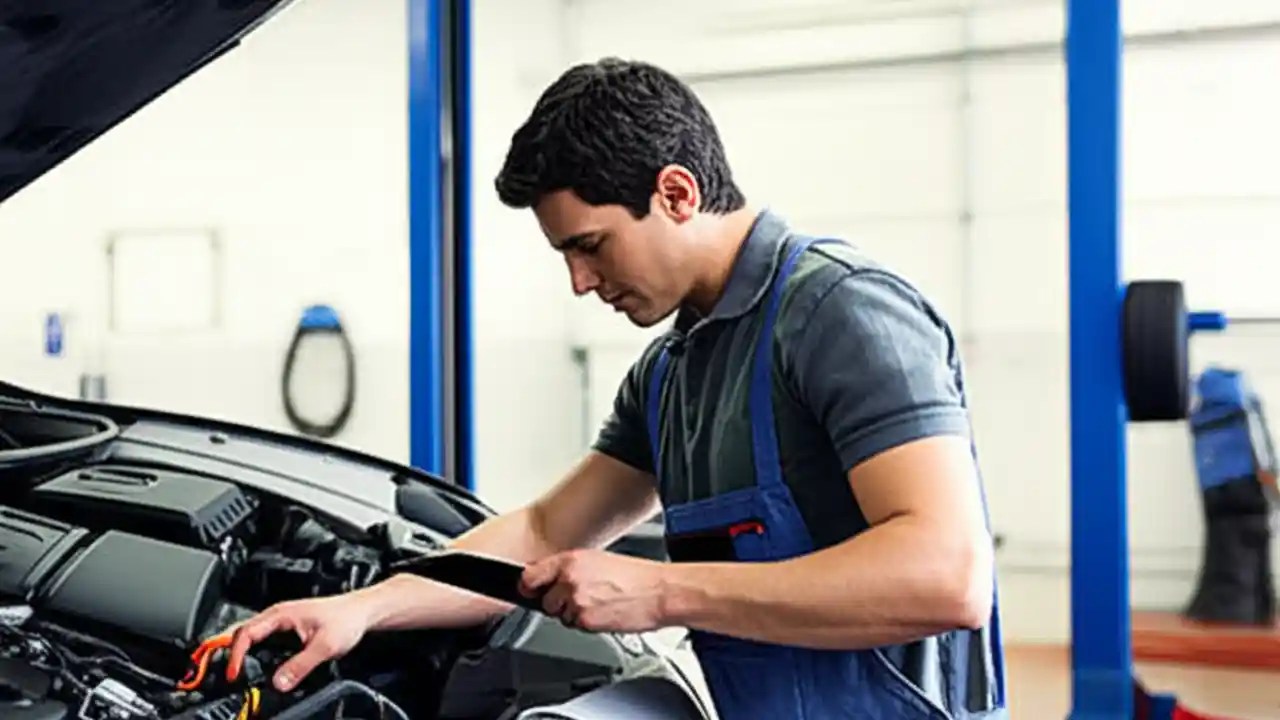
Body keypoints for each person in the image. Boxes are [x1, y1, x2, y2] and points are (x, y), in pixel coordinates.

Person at [227, 57, 1007, 719]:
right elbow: (542, 531)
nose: (578, 281)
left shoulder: (843, 313)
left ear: (676, 193)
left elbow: (947, 574)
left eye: (590, 245)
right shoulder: (671, 372)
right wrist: (363, 608)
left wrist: (664, 592)